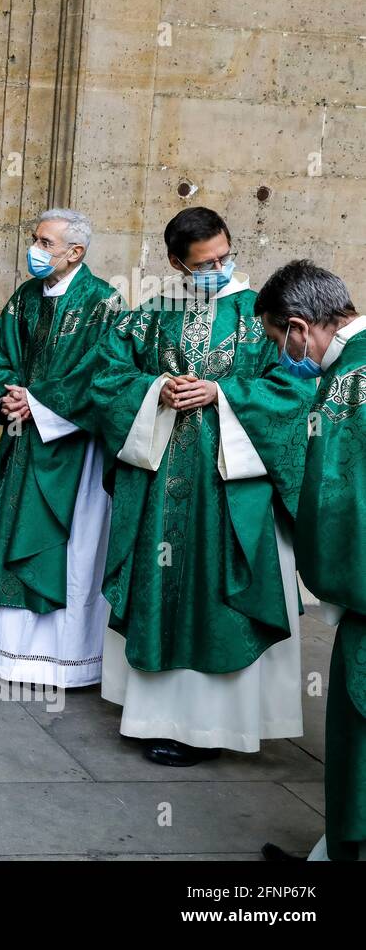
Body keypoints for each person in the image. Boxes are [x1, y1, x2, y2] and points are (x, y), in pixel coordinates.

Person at [90, 207, 315, 766]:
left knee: (218, 595)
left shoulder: (264, 315)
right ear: (176, 264)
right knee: (165, 590)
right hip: (164, 488)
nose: (219, 267)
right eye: (205, 263)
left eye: (224, 256)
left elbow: (296, 391)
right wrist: (155, 392)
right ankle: (158, 716)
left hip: (231, 492)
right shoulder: (150, 316)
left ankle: (216, 727)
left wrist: (224, 396)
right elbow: (106, 378)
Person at [0, 209, 122, 687]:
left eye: (45, 243)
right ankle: (1, 642)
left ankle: (57, 657)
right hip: (21, 437)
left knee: (64, 542)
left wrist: (42, 404)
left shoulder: (104, 303)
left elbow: (105, 373)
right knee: (8, 525)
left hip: (72, 448)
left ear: (76, 252)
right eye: (35, 239)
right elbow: (2, 355)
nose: (35, 249)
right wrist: (10, 393)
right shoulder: (25, 298)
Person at [255, 260, 364, 861]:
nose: (285, 354)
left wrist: (334, 580)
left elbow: (345, 495)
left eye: (279, 341)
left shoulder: (353, 379)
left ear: (299, 328)